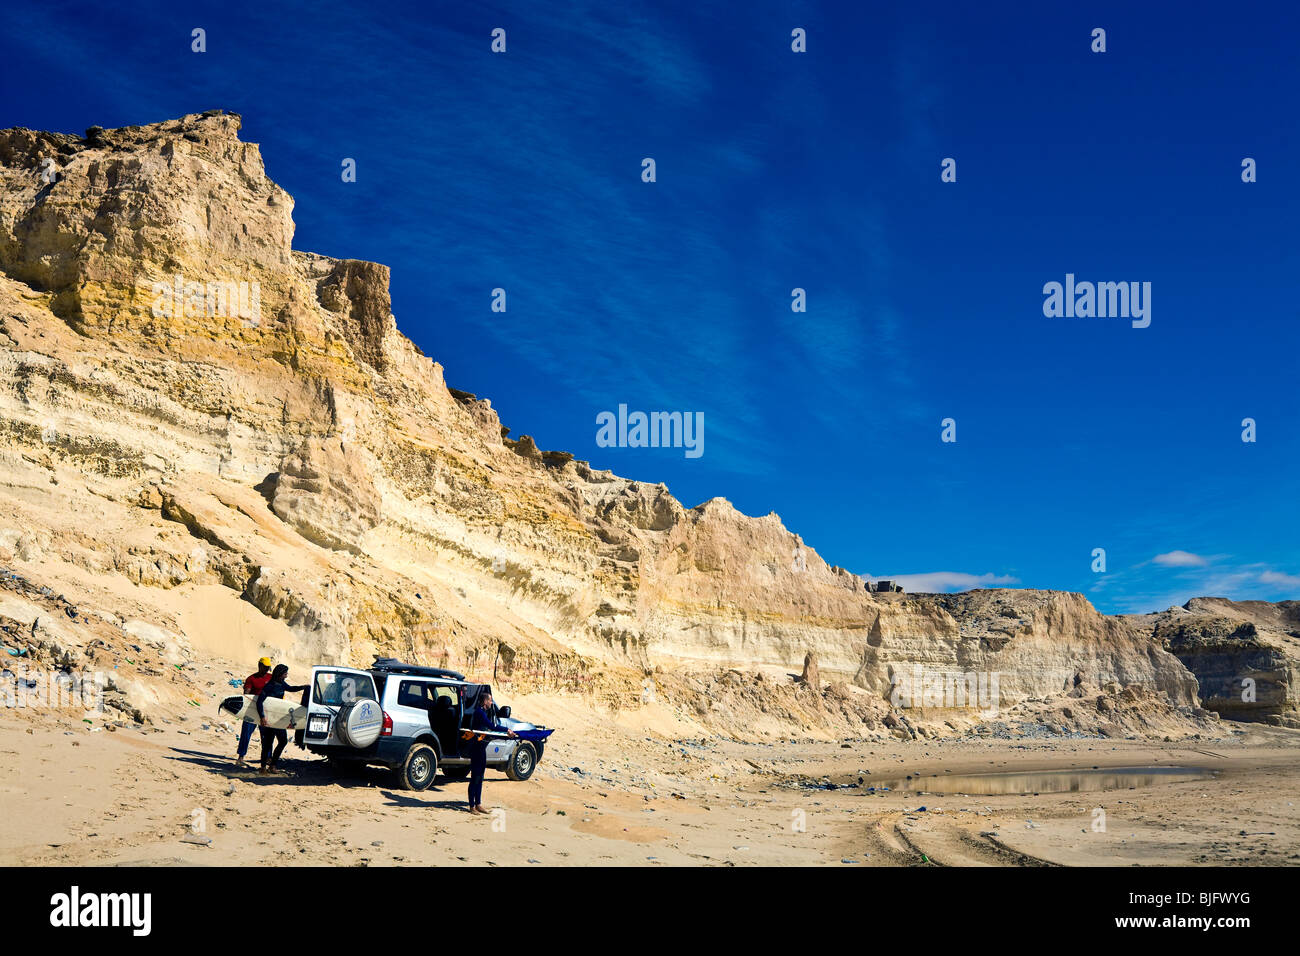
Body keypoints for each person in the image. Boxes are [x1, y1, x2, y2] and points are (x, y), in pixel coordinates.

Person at [464, 689, 515, 815]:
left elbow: (489, 729)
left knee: (480, 776)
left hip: (482, 748)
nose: (492, 703)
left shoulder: (483, 712)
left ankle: (478, 804)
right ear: (485, 701)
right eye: (490, 700)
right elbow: (492, 727)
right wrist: (507, 729)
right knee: (475, 776)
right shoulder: (479, 713)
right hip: (476, 748)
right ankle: (472, 806)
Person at [255, 664, 308, 776]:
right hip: (270, 719)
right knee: (267, 744)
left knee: (283, 741)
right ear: (280, 674)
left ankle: (273, 765)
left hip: (279, 720)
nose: (287, 675)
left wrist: (302, 687)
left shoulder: (281, 683)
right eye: (285, 673)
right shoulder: (269, 686)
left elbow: (290, 689)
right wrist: (262, 717)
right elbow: (259, 701)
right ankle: (263, 767)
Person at [235, 657, 273, 767]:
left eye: (268, 668)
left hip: (265, 711)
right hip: (251, 711)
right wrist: (247, 692)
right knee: (246, 734)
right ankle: (241, 757)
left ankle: (268, 758)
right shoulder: (251, 679)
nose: (266, 669)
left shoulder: (271, 678)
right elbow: (246, 695)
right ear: (259, 665)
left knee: (266, 736)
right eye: (264, 667)